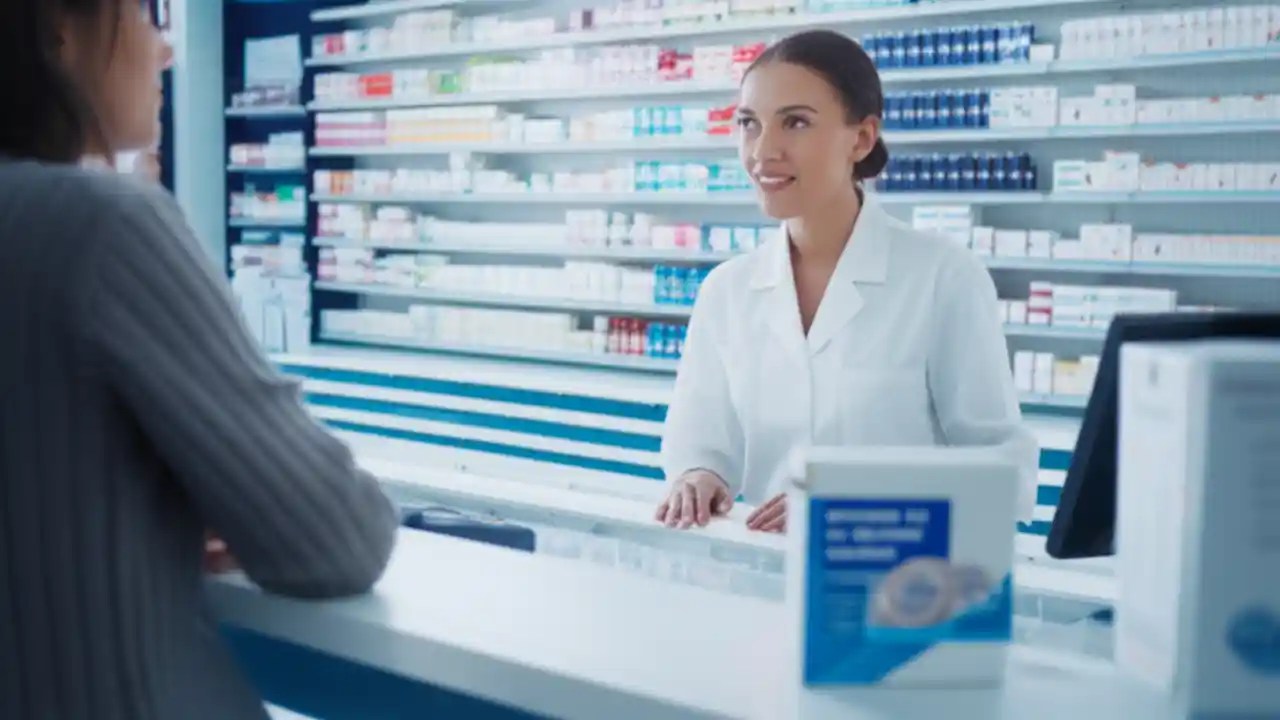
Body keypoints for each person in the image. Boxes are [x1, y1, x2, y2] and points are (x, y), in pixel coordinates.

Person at [0, 2, 399, 719]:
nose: (167, 52)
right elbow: (338, 537)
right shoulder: (105, 228)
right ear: (58, 31)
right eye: (145, 17)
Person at [655, 30, 1038, 533]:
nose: (763, 151)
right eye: (749, 124)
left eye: (795, 123)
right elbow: (700, 441)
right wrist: (698, 474)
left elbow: (1003, 473)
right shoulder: (727, 290)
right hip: (766, 576)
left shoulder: (943, 275)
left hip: (908, 581)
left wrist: (860, 499)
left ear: (861, 138)